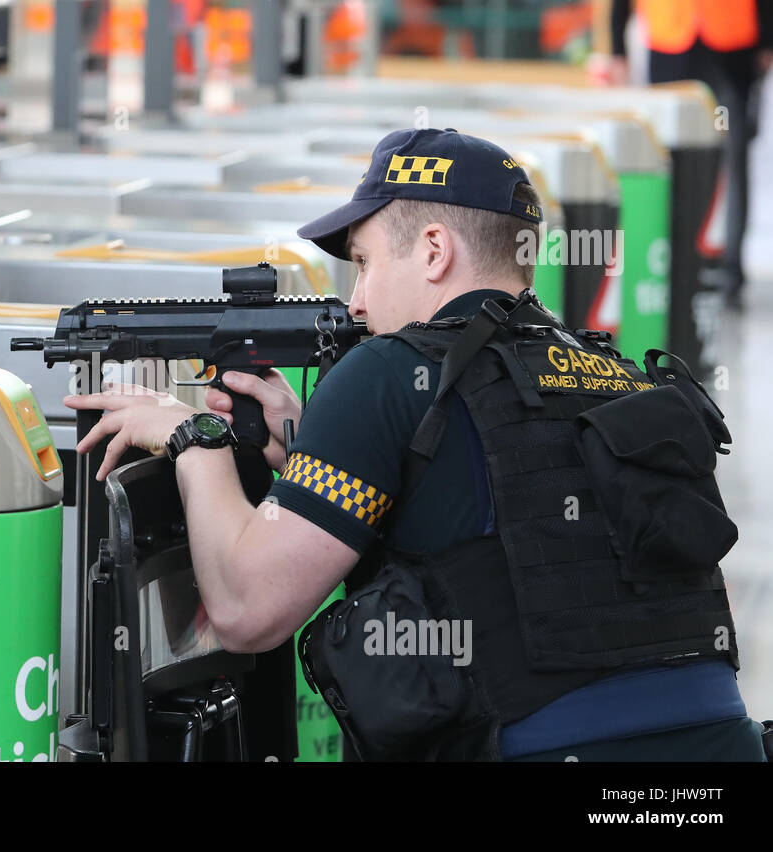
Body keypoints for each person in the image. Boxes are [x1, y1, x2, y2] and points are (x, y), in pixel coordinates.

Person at [66, 127, 767, 761]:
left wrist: (197, 439)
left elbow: (250, 613)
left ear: (434, 250)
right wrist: (311, 445)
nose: (358, 302)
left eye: (365, 264)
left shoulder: (387, 372)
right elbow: (497, 513)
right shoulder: (619, 375)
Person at [606, 0, 773, 306]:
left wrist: (767, 40)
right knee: (670, 159)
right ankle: (671, 261)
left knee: (730, 153)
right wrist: (618, 49)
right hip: (671, 44)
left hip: (730, 49)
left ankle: (728, 268)